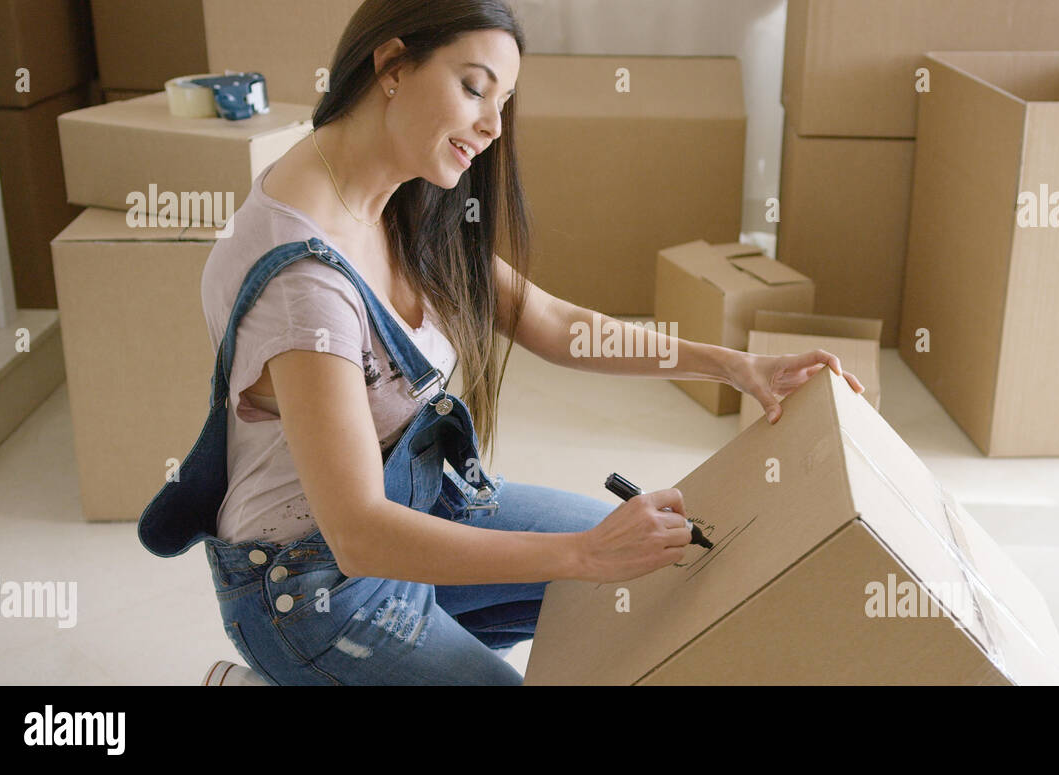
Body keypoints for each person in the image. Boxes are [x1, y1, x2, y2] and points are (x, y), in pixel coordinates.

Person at [141, 0, 865, 686]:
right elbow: (359, 531)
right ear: (391, 65)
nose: (491, 125)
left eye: (503, 102)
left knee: (659, 572)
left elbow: (550, 322)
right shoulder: (304, 278)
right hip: (318, 585)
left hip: (427, 510)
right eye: (474, 89)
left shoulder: (398, 189)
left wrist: (731, 364)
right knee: (601, 565)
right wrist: (584, 554)